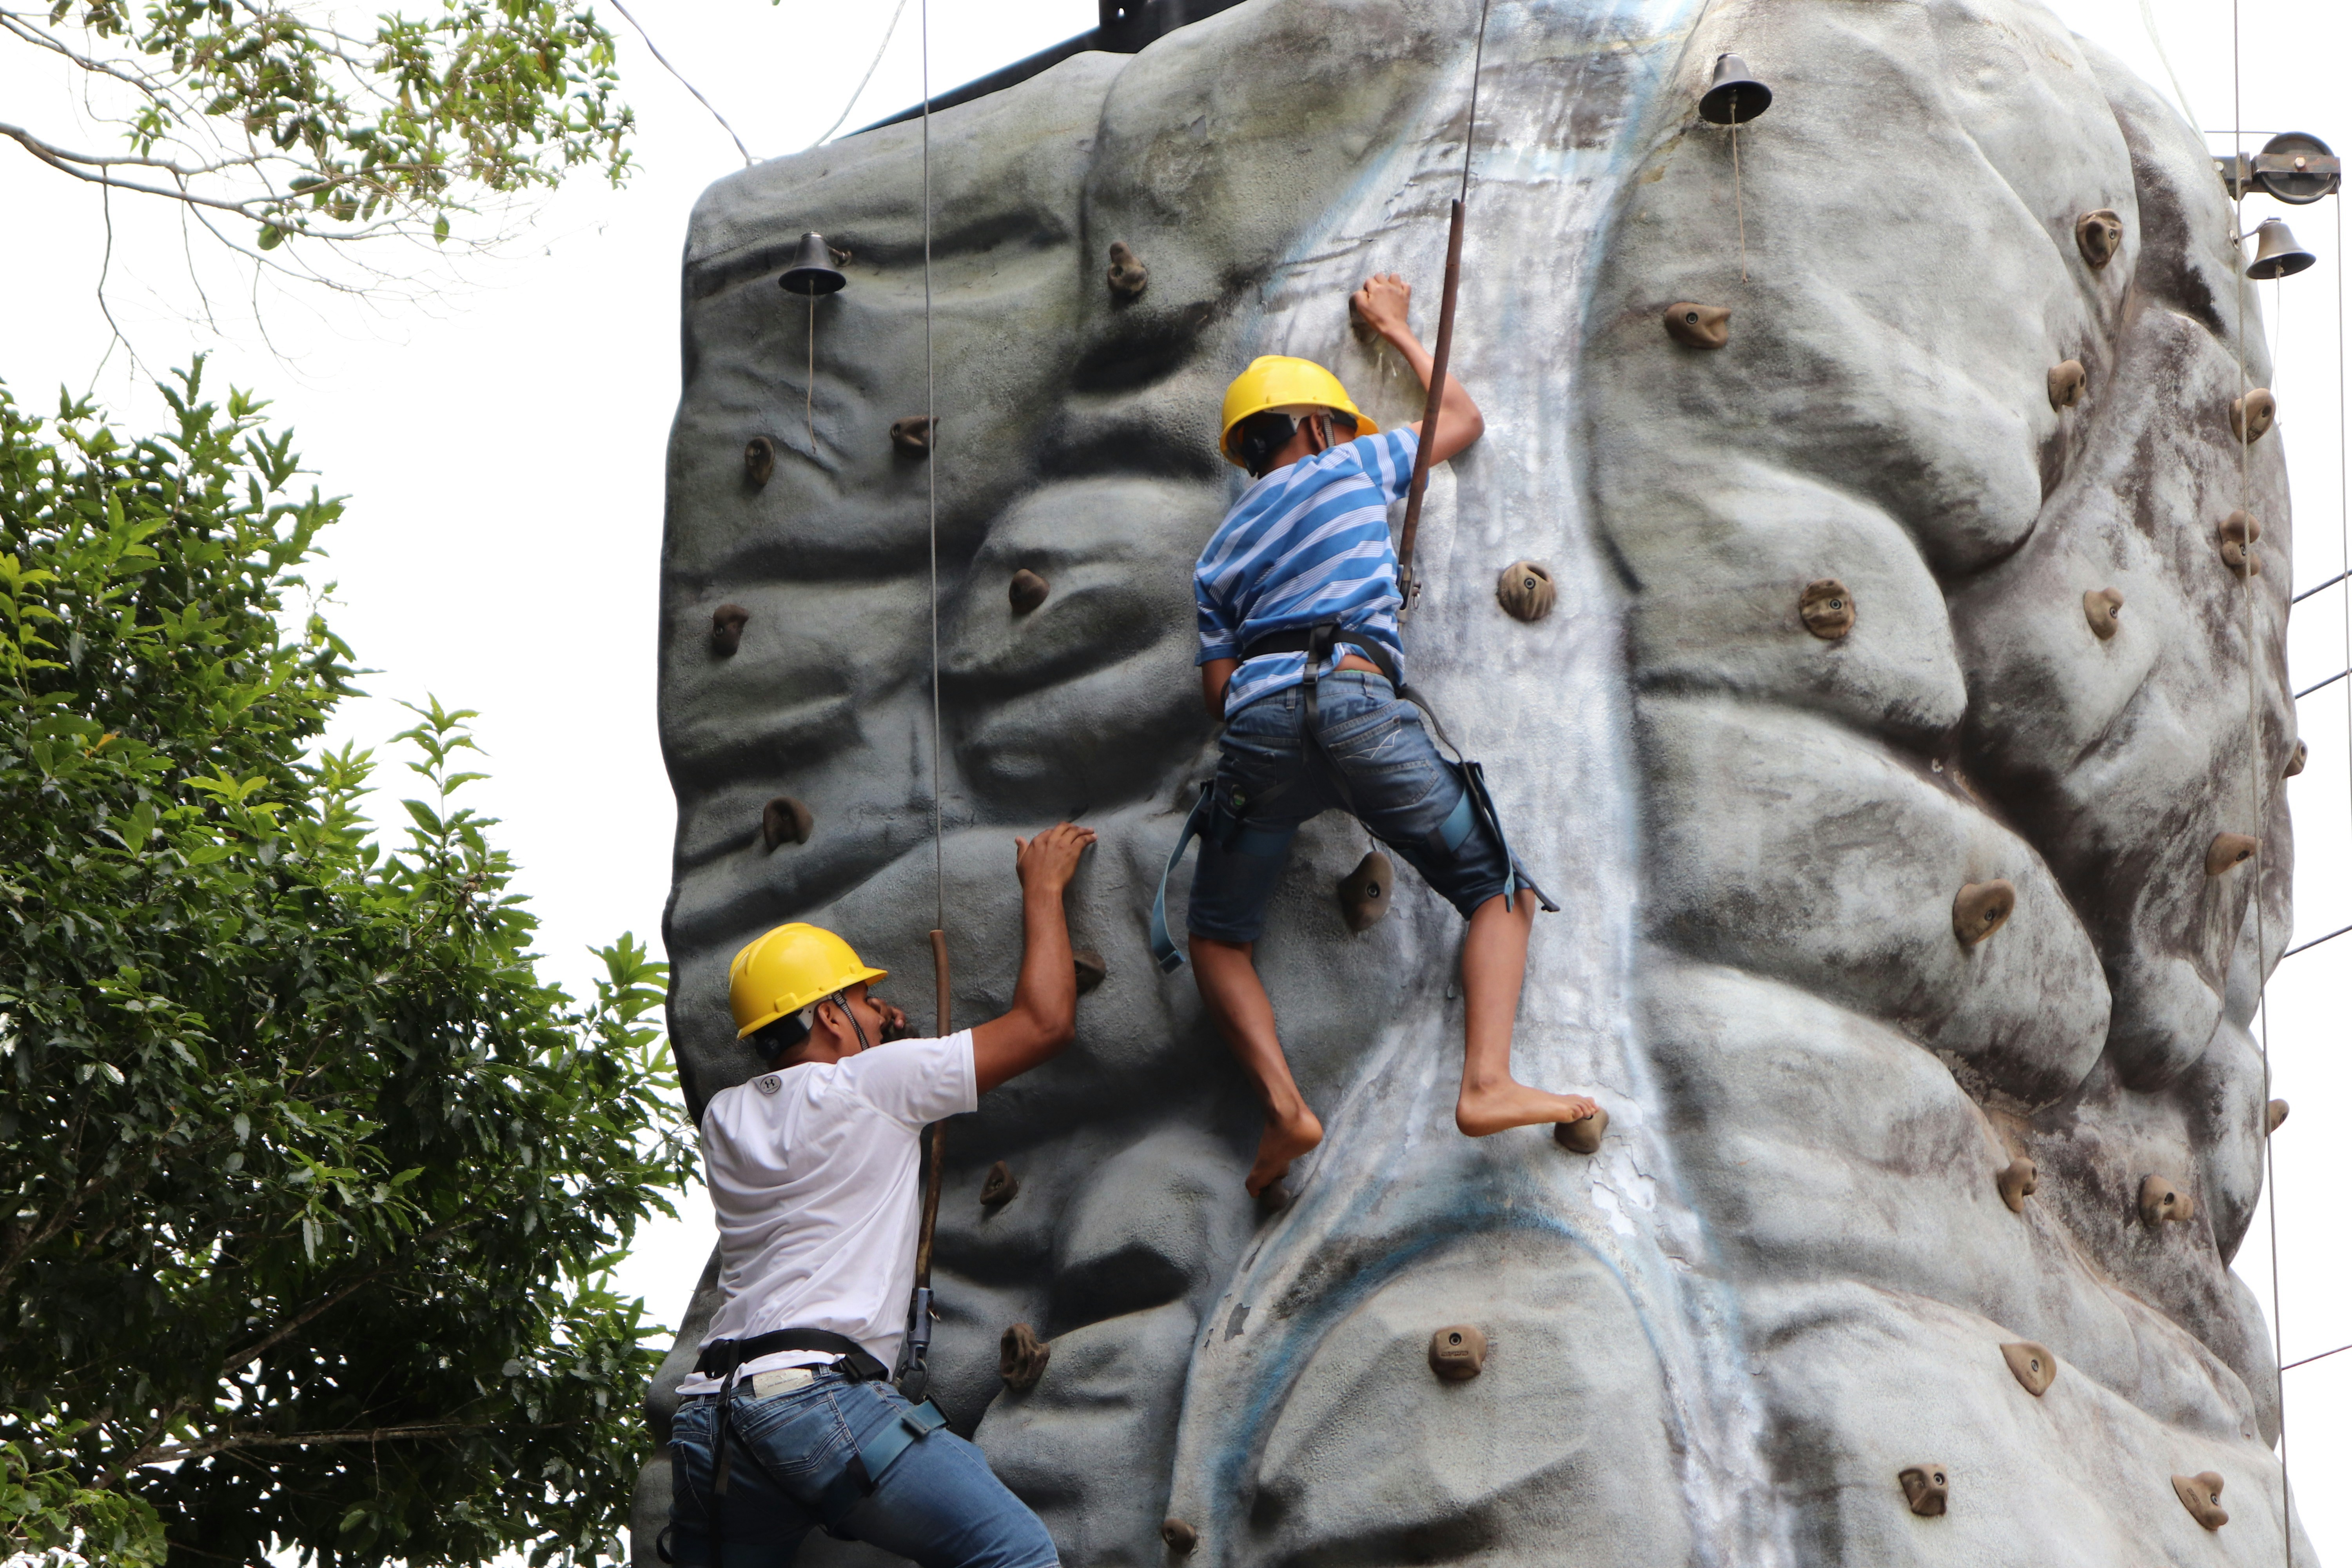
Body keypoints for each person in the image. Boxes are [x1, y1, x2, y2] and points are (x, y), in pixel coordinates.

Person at [1180, 272, 1599, 1199]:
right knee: (1497, 888)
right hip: (1359, 700)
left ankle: (1286, 1107)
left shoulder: (1217, 555)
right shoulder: (1348, 468)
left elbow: (1217, 693)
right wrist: (1401, 330)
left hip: (1258, 726)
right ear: (1321, 425)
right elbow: (1462, 419)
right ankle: (1487, 1081)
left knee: (1216, 937)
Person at [664, 822, 1096, 1568]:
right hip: (815, 1403)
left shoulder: (724, 1119)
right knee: (1016, 1554)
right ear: (829, 1015)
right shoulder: (874, 1084)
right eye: (866, 1001)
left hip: (712, 1420)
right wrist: (1045, 889)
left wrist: (883, 1041)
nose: (884, 1014)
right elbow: (1044, 1023)